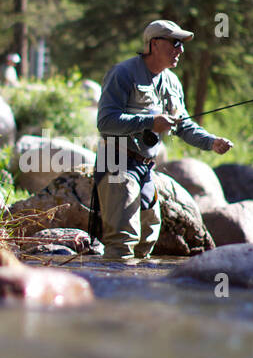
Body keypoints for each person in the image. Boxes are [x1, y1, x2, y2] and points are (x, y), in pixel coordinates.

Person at [93, 19, 233, 264]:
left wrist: (211, 142)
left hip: (145, 166)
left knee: (146, 238)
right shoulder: (123, 73)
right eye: (176, 43)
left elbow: (183, 126)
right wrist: (148, 122)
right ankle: (113, 296)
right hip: (115, 159)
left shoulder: (172, 82)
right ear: (155, 44)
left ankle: (135, 296)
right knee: (122, 242)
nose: (181, 50)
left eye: (182, 45)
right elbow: (105, 122)